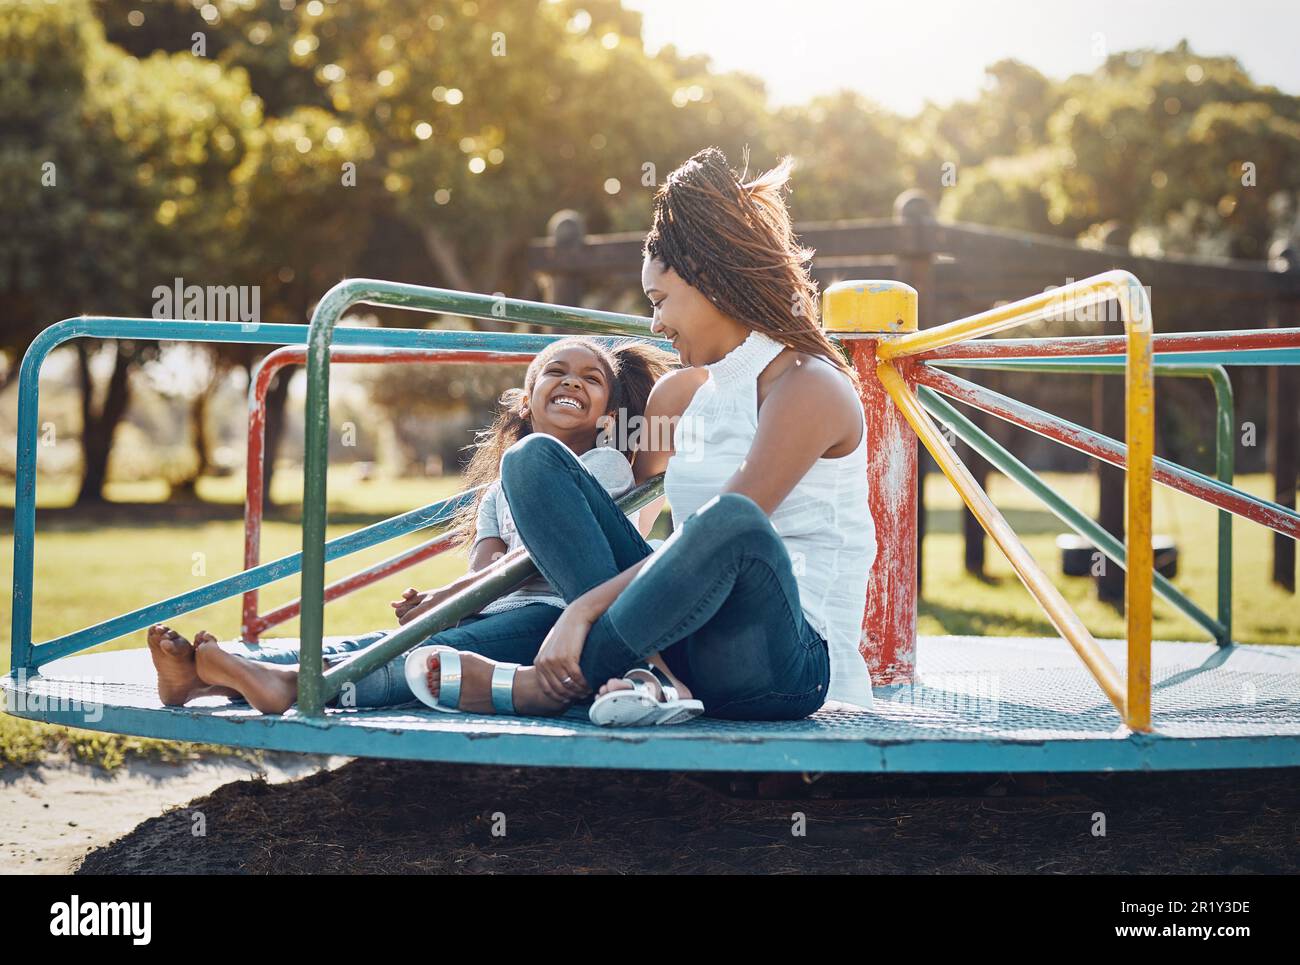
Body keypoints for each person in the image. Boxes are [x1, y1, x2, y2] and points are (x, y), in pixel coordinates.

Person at [407, 146, 878, 725]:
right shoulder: (686, 397)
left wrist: (581, 611)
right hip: (687, 642)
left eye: (660, 302)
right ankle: (647, 671)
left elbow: (718, 533)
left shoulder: (809, 387)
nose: (654, 324)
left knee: (731, 522)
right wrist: (519, 590)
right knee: (533, 460)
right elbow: (640, 529)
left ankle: (544, 684)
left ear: (710, 282)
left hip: (780, 665)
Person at [145, 336, 674, 714]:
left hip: (553, 617)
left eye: (591, 379)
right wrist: (447, 607)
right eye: (557, 372)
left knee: (421, 656)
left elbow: (543, 553)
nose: (572, 383)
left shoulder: (604, 467)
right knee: (374, 640)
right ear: (524, 401)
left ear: (608, 414)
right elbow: (488, 570)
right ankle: (198, 680)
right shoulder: (496, 491)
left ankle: (292, 687)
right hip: (498, 610)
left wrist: (447, 597)